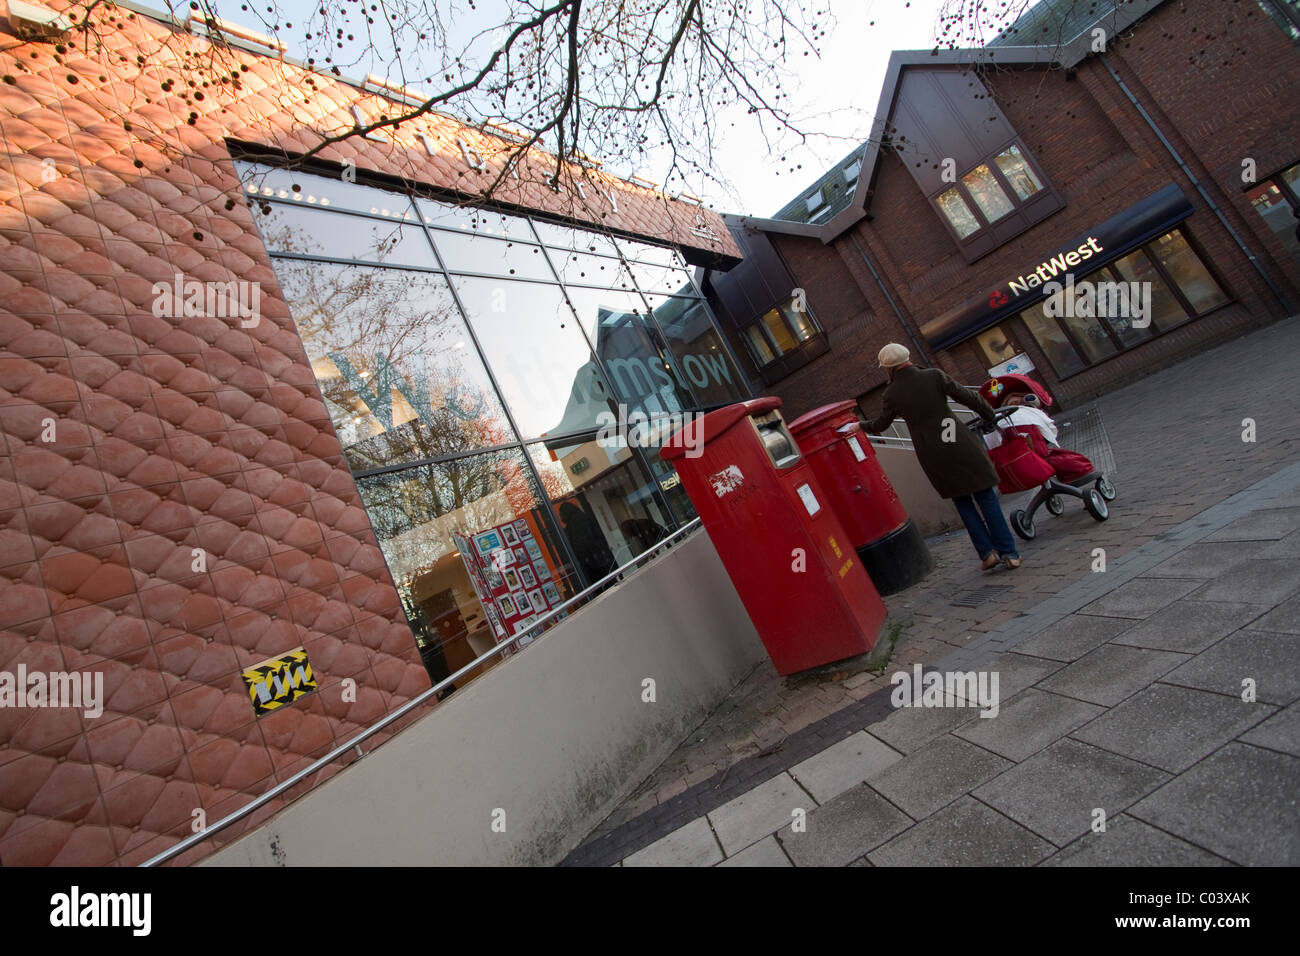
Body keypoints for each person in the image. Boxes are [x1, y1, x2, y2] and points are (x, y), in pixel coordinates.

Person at [864, 344, 1022, 571]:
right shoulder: (933, 376)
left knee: (963, 502)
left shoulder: (891, 394)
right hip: (958, 442)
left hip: (933, 454)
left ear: (887, 368)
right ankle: (1010, 553)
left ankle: (987, 554)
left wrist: (859, 425)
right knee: (986, 497)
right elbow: (970, 397)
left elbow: (880, 424)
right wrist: (988, 415)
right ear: (908, 357)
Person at [558, 501, 617, 585]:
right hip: (600, 559)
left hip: (589, 565)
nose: (560, 518)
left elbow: (580, 545)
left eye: (560, 515)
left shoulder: (571, 528)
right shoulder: (586, 517)